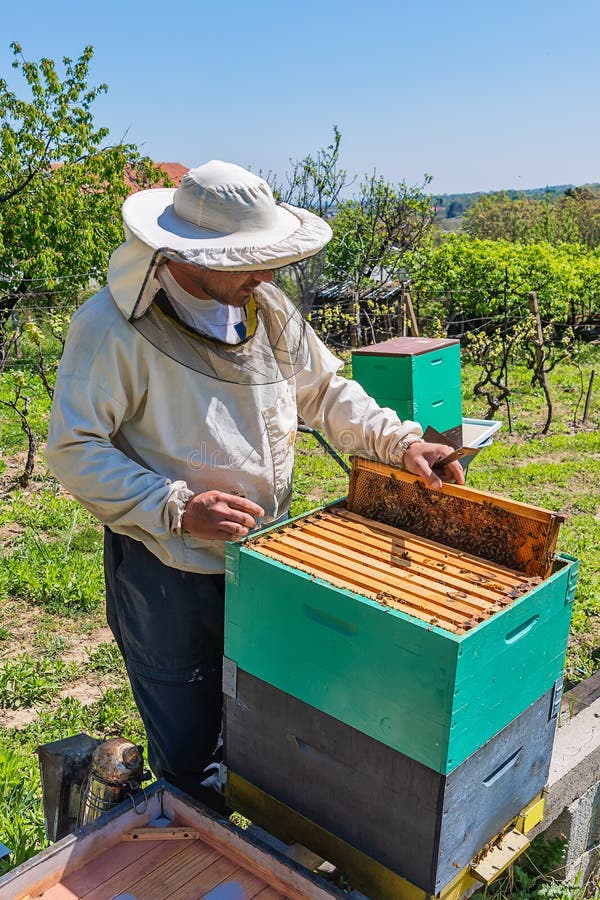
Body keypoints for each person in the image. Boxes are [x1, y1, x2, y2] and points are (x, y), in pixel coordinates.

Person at [45, 160, 464, 805]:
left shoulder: (265, 307)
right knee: (190, 754)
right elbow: (74, 449)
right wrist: (177, 507)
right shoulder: (111, 328)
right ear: (191, 253)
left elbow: (325, 391)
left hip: (266, 558)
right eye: (247, 261)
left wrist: (400, 441)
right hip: (169, 575)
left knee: (270, 727)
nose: (264, 275)